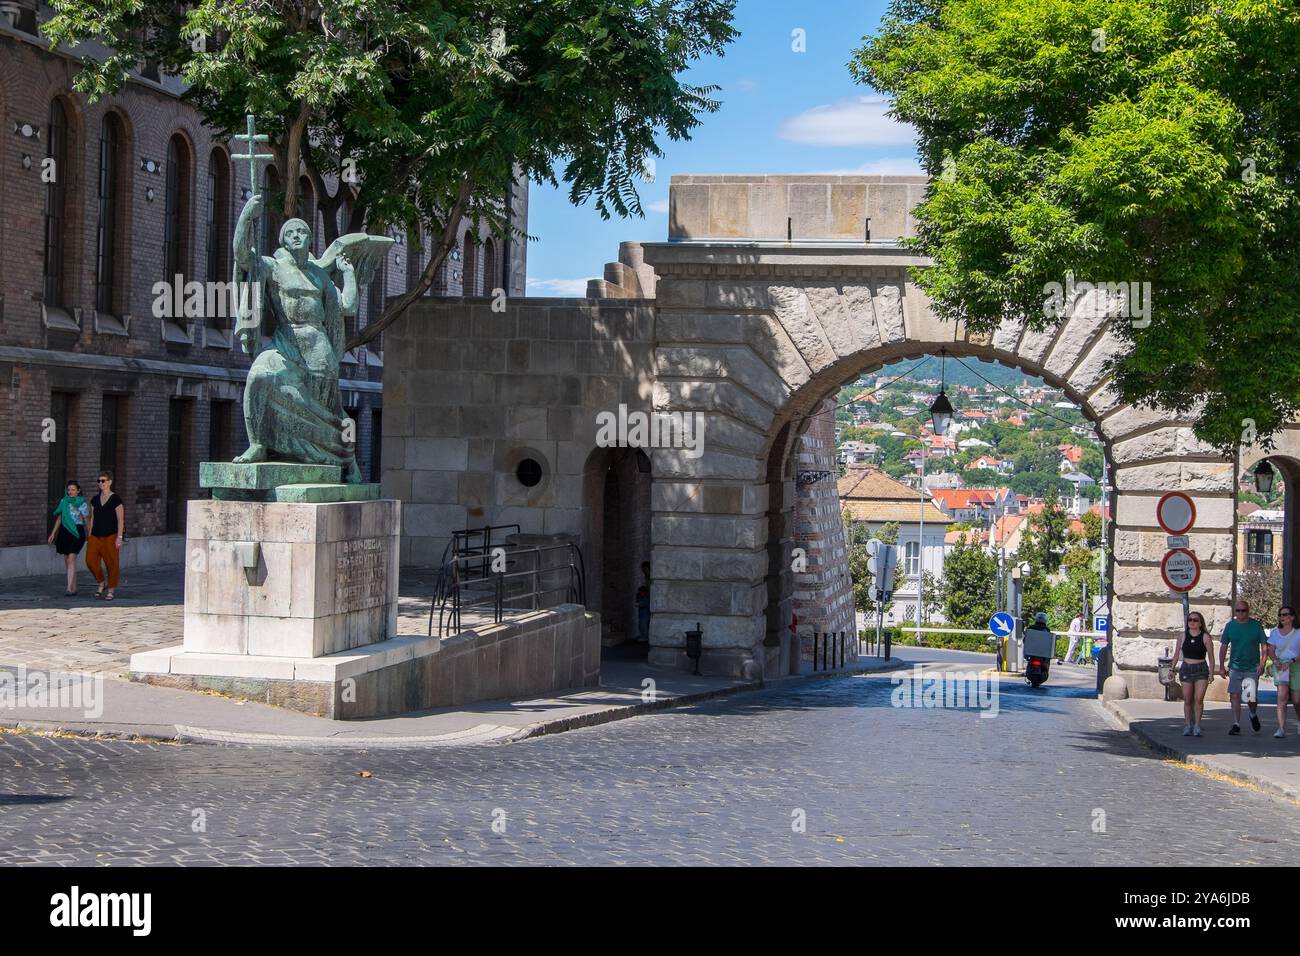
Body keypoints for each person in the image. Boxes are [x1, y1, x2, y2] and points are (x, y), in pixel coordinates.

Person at [1218, 599, 1268, 735]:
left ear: (1248, 611)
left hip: (1251, 668)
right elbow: (1223, 646)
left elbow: (1264, 645)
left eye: (1243, 610)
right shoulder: (1230, 626)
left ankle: (1252, 714)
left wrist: (1262, 664)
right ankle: (1236, 723)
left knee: (1249, 697)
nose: (1240, 613)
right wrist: (1221, 666)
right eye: (1238, 610)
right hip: (1235, 667)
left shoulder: (1256, 626)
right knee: (1235, 695)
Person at [1169, 611, 1214, 737]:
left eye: (1195, 620)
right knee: (1188, 699)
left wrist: (1211, 673)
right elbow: (1176, 654)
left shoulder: (1205, 637)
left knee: (1199, 699)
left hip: (1201, 669)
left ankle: (1197, 725)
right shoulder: (1182, 636)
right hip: (1186, 669)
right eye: (1190, 620)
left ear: (1200, 623)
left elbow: (1211, 656)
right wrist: (1172, 669)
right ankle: (1188, 725)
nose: (1192, 622)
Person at [86, 470, 125, 601]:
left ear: (110, 482)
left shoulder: (116, 499)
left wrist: (119, 537)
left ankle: (111, 589)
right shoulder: (94, 500)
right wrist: (90, 535)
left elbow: (120, 519)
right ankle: (101, 581)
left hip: (111, 535)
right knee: (90, 561)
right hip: (95, 535)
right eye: (99, 481)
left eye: (103, 481)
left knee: (112, 563)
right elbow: (92, 518)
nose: (101, 483)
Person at [47, 479, 89, 596]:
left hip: (77, 532)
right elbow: (60, 518)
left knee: (71, 559)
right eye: (69, 490)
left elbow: (87, 519)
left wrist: (90, 534)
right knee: (68, 561)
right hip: (64, 532)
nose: (70, 492)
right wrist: (53, 533)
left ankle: (69, 588)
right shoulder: (64, 501)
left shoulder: (82, 503)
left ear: (78, 491)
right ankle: (73, 587)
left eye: (73, 490)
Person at [1265, 606, 1300, 738]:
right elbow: (1271, 650)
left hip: (1296, 666)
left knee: (1297, 700)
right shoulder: (1275, 632)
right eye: (1280, 615)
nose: (1281, 617)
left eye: (1285, 614)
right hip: (1281, 667)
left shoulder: (1298, 632)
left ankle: (1299, 721)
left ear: (1292, 617)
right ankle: (1281, 728)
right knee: (1282, 697)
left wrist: (1291, 661)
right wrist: (1275, 660)